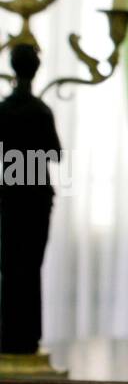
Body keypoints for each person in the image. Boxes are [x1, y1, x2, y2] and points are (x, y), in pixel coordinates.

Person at [0, 43, 61, 355]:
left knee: (9, 267)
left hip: (10, 195)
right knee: (29, 267)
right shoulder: (40, 111)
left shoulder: (4, 109)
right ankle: (26, 337)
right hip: (35, 196)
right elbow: (55, 154)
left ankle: (8, 335)